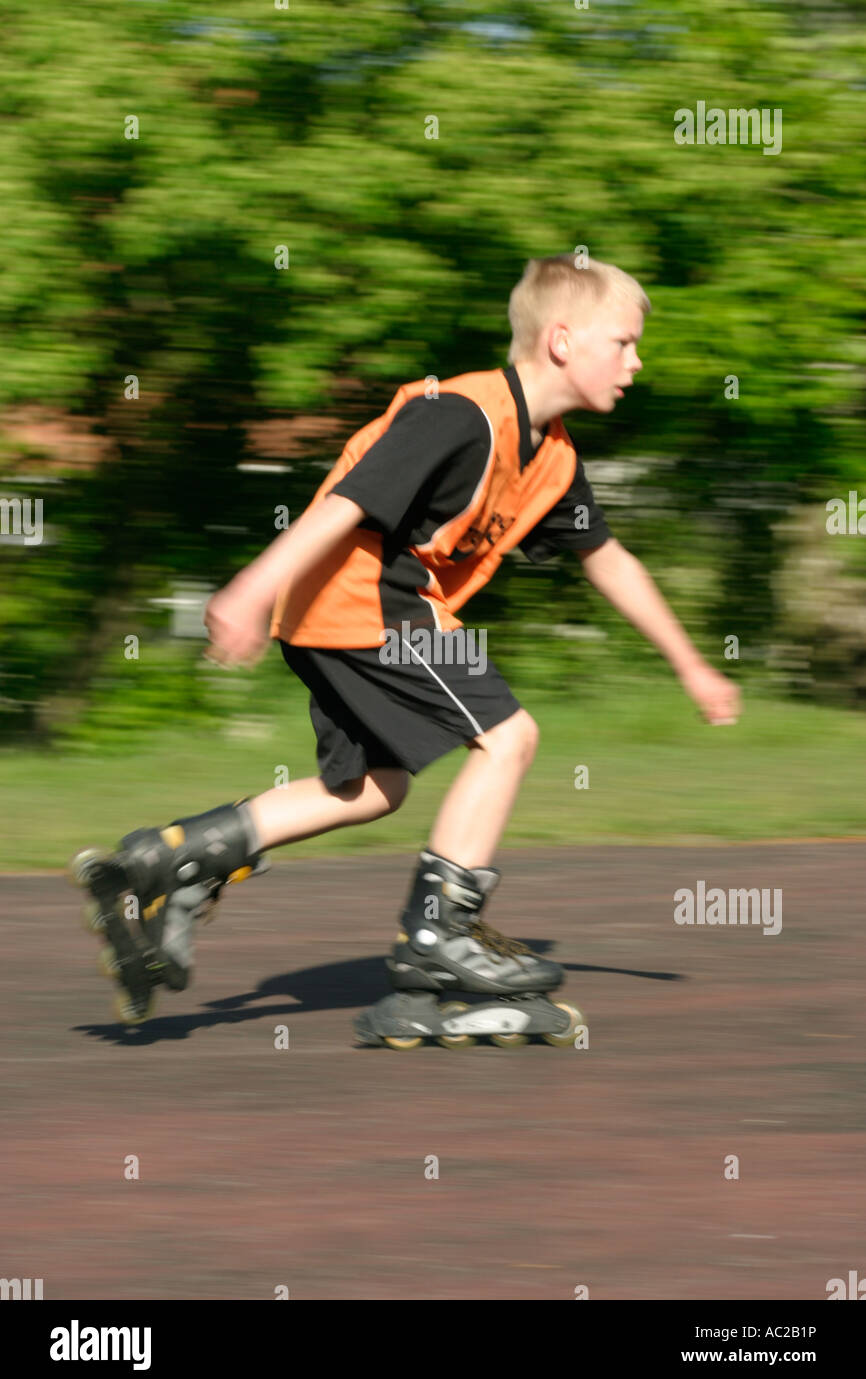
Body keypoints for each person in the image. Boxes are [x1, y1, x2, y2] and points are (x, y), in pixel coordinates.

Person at [72, 254, 740, 1044]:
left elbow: (608, 558)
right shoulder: (461, 414)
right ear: (562, 339)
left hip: (344, 612)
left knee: (374, 787)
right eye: (624, 343)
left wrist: (690, 662)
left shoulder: (552, 456)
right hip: (364, 602)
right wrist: (249, 588)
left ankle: (173, 858)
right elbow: (346, 504)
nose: (637, 362)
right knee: (510, 737)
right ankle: (438, 935)